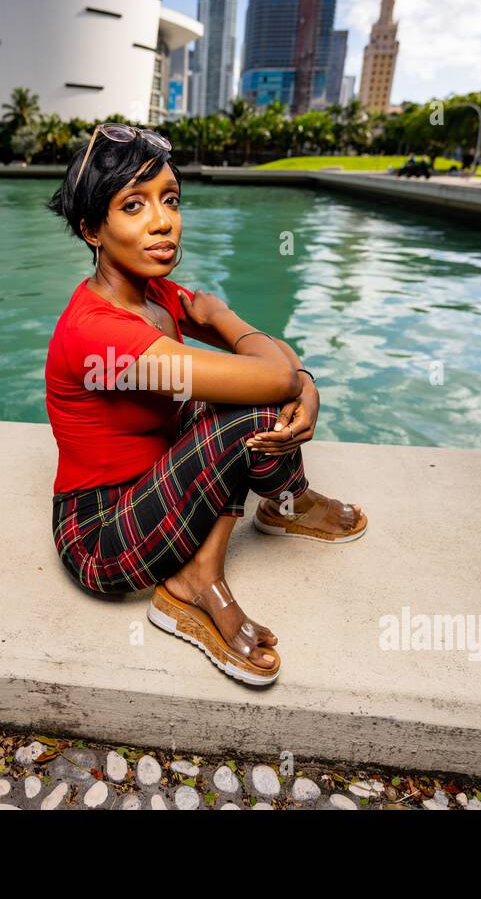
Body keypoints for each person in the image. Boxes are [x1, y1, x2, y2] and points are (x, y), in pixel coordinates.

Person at [43, 124, 367, 686]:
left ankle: (286, 502)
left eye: (170, 199)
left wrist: (303, 382)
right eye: (134, 206)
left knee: (249, 397)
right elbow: (270, 374)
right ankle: (193, 585)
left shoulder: (156, 293)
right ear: (92, 228)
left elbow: (277, 363)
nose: (163, 220)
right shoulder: (100, 333)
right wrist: (220, 318)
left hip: (153, 480)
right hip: (100, 534)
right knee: (251, 413)